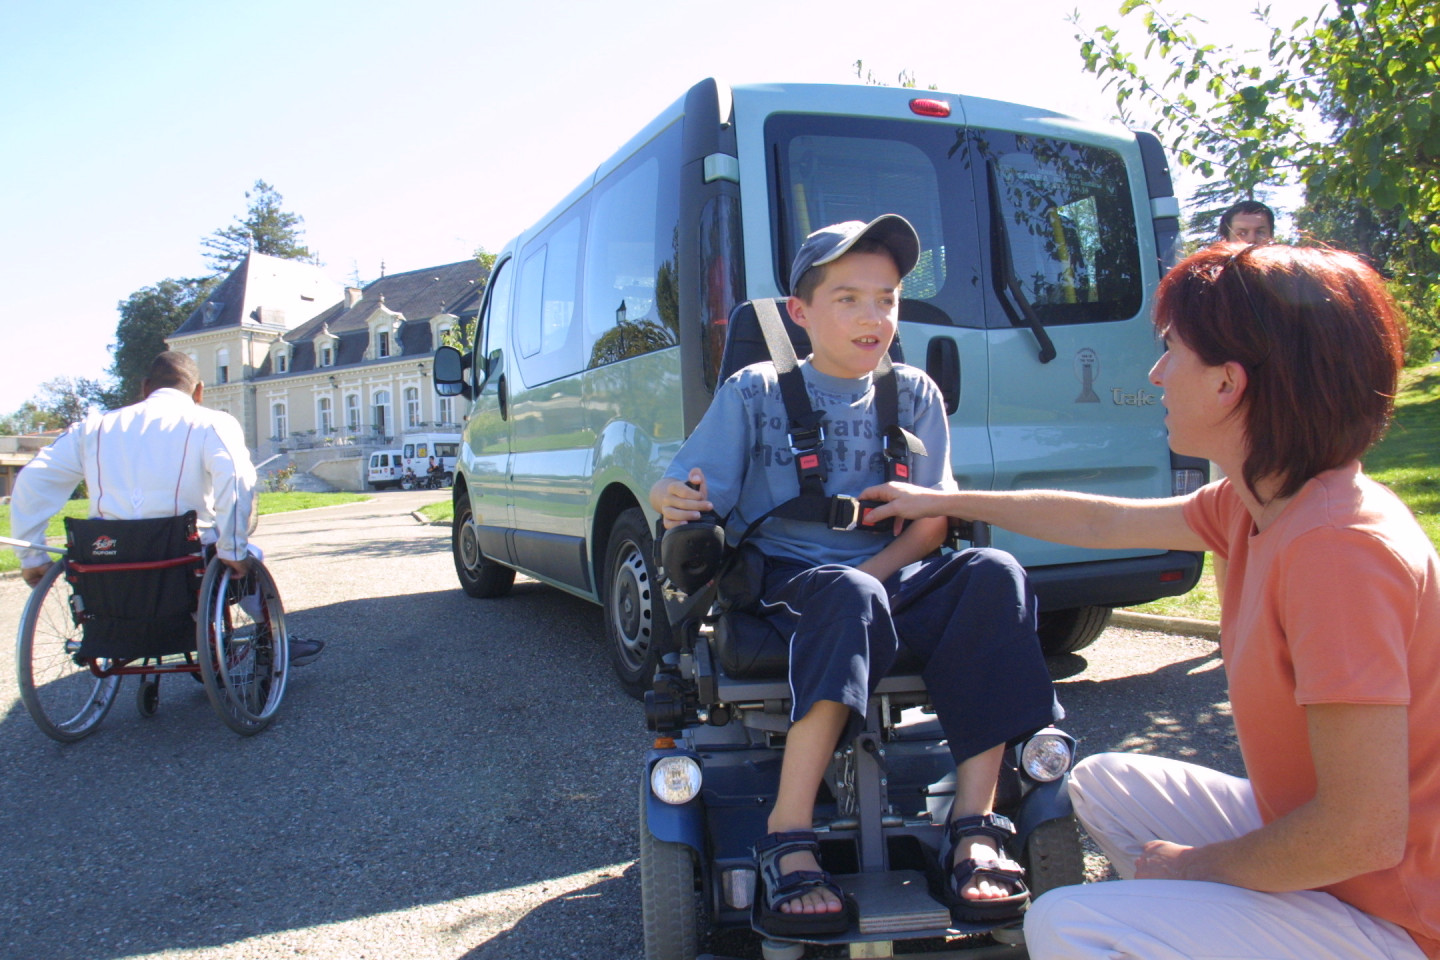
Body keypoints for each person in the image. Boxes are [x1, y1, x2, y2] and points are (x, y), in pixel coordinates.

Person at [860, 243, 1438, 959]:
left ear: (1229, 383)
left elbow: (1362, 832)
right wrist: (940, 499)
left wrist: (1191, 869)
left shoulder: (1338, 551)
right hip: (1331, 865)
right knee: (1103, 783)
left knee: (1069, 924)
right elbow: (1098, 520)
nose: (1158, 374)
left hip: (1398, 919)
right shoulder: (1258, 503)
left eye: (1171, 353)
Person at [650, 215, 1060, 936]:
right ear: (802, 313)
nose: (875, 317)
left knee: (994, 572)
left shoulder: (917, 395)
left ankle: (974, 826)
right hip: (787, 584)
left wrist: (877, 571)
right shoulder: (755, 392)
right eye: (849, 299)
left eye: (888, 298)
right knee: (846, 594)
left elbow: (933, 521)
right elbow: (688, 490)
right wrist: (665, 496)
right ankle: (787, 834)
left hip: (888, 580)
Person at [10, 351, 324, 666]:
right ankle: (273, 637)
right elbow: (236, 479)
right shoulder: (210, 423)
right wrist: (233, 546)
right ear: (199, 391)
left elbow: (33, 480)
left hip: (107, 563)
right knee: (246, 557)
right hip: (181, 561)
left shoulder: (91, 428)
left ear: (145, 387)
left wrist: (31, 555)